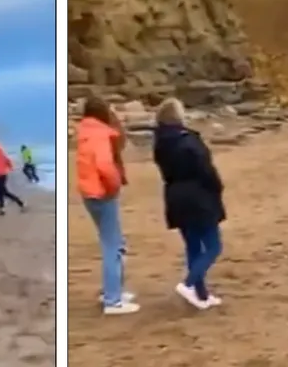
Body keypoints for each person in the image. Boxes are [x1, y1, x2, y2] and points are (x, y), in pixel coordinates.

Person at [152, 98, 226, 310]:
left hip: (175, 195)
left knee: (193, 246)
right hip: (198, 197)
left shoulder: (161, 143)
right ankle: (189, 283)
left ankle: (201, 295)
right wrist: (217, 188)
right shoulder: (189, 141)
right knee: (213, 246)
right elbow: (206, 169)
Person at [75, 96, 137, 315]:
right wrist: (114, 185)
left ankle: (113, 291)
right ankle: (113, 300)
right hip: (102, 194)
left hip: (90, 193)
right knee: (113, 247)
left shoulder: (86, 131)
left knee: (114, 242)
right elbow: (104, 165)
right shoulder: (100, 135)